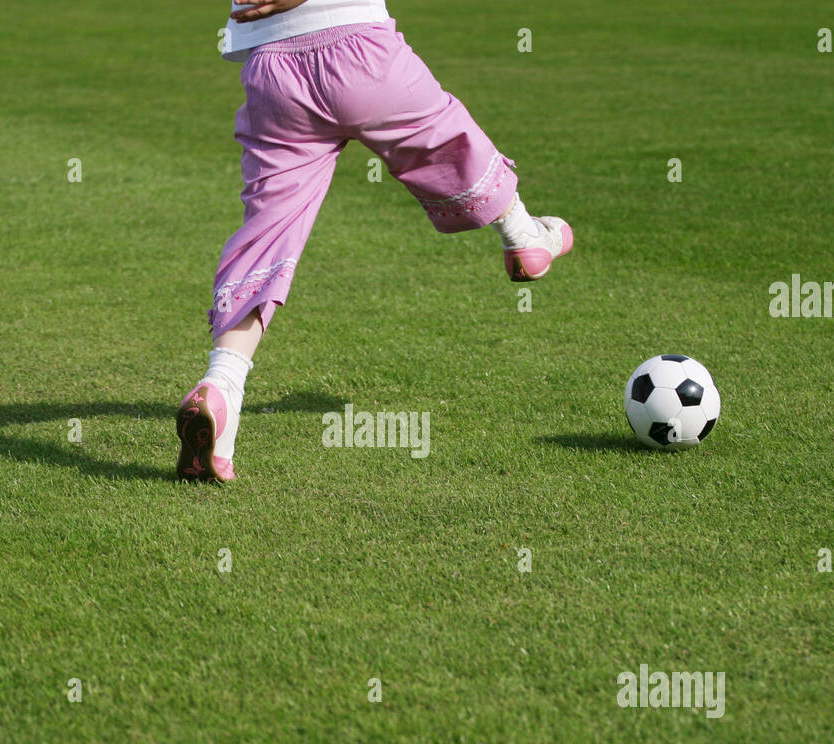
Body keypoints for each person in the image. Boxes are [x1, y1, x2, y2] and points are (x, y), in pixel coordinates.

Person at [178, 0, 573, 482]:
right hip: (357, 43)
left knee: (267, 230)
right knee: (446, 138)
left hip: (272, 70)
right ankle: (523, 234)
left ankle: (222, 385)